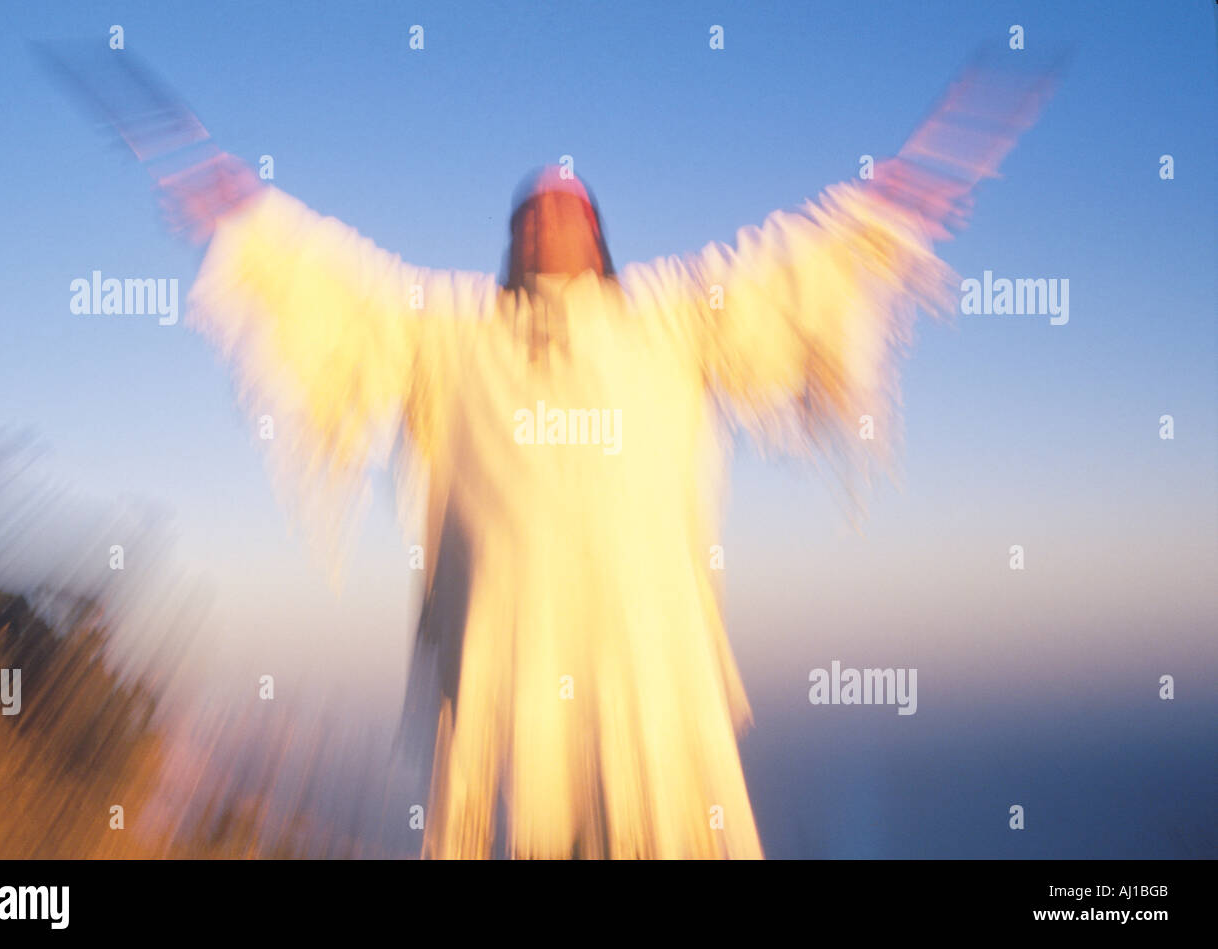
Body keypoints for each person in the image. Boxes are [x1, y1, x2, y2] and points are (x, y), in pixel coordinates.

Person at [157, 58, 1055, 859]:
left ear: (600, 237)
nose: (552, 213)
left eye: (572, 207)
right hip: (504, 636)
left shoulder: (666, 315)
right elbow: (345, 295)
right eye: (533, 210)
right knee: (503, 815)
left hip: (646, 638)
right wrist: (251, 220)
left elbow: (782, 274)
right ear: (511, 240)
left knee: (669, 808)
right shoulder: (449, 329)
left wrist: (883, 213)